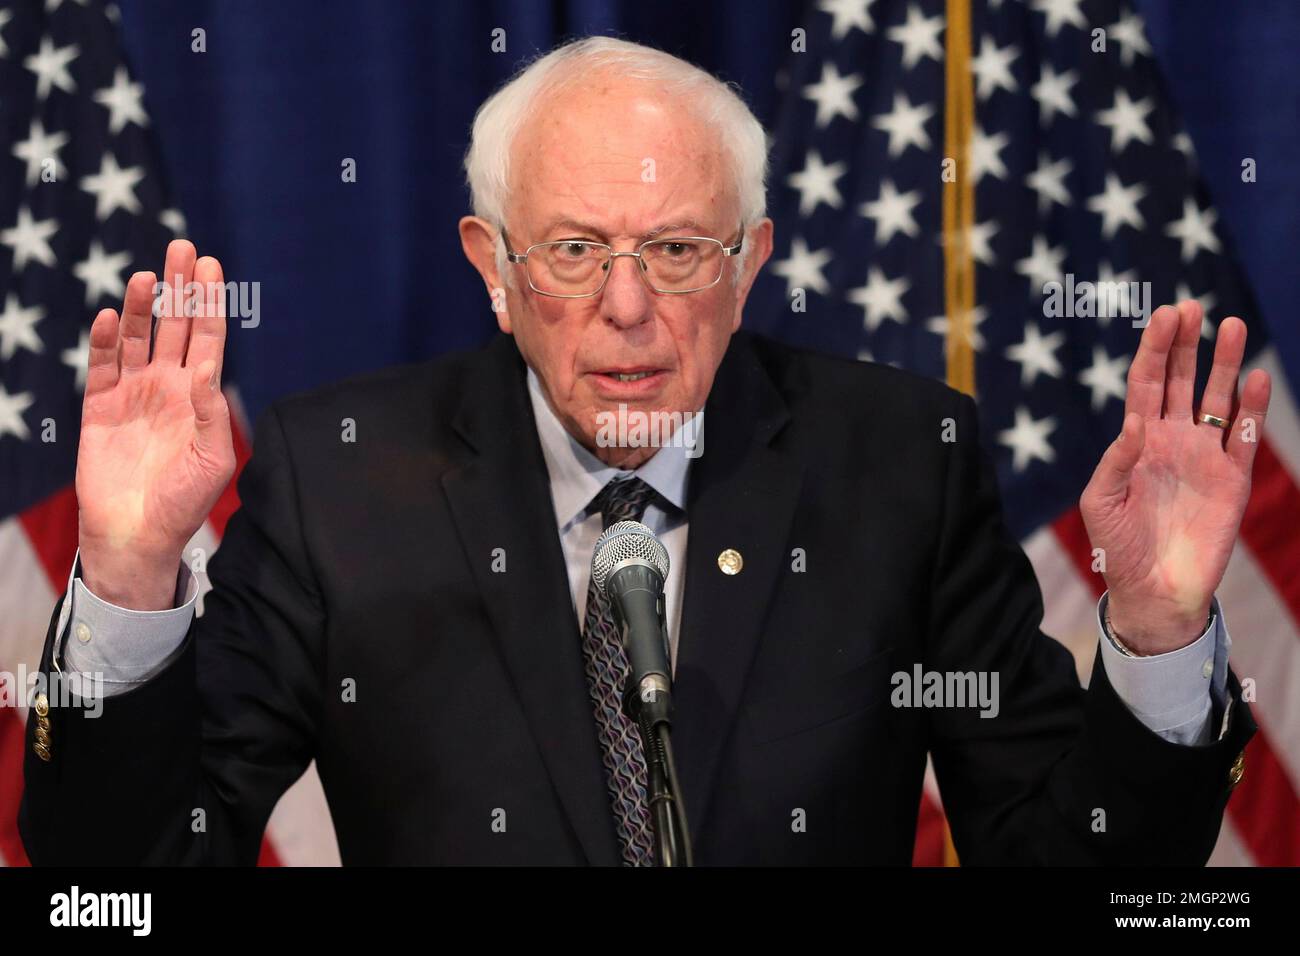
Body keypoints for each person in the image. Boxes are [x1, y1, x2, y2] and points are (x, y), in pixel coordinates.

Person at [20, 37, 1267, 865]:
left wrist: (1156, 627)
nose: (627, 306)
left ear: (751, 265)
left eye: (676, 251)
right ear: (492, 270)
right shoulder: (337, 476)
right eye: (571, 251)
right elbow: (119, 886)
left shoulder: (894, 463)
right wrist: (128, 571)